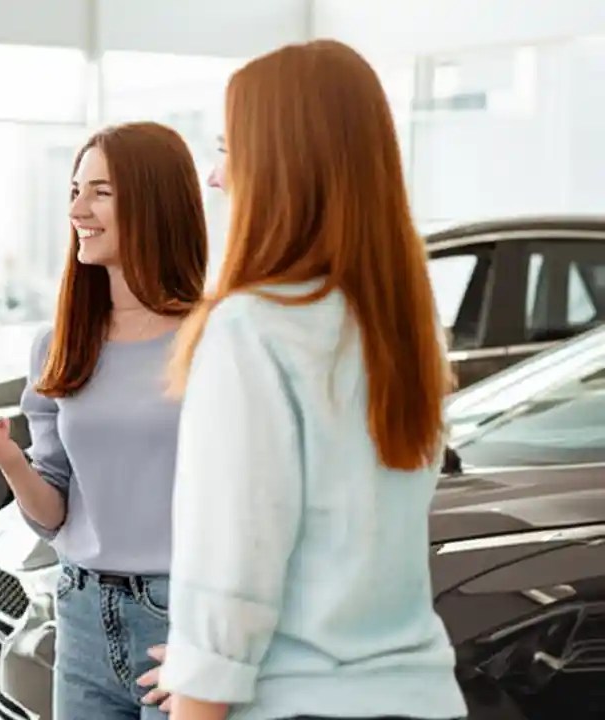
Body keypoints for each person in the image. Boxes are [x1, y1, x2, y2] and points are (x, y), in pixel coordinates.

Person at [135, 40, 468, 720]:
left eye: (229, 149)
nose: (216, 177)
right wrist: (208, 660)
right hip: (421, 699)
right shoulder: (403, 327)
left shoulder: (251, 328)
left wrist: (203, 682)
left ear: (281, 165)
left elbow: (232, 571)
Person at [0, 121, 208, 719]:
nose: (78, 209)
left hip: (186, 615)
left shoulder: (216, 339)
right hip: (82, 611)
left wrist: (219, 633)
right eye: (73, 190)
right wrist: (5, 458)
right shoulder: (61, 344)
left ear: (154, 204)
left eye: (101, 192)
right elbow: (55, 512)